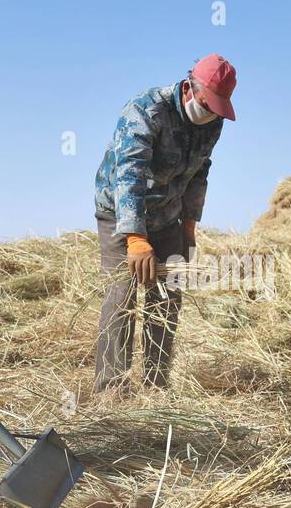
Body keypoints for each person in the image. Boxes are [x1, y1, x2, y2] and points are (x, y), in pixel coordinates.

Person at [92, 54, 237, 392]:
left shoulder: (212, 121)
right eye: (207, 103)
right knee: (122, 294)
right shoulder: (145, 110)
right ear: (189, 87)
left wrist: (189, 225)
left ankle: (156, 385)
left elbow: (200, 171)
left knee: (168, 295)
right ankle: (113, 391)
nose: (212, 113)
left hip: (169, 214)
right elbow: (130, 173)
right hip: (121, 212)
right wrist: (135, 238)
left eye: (218, 107)